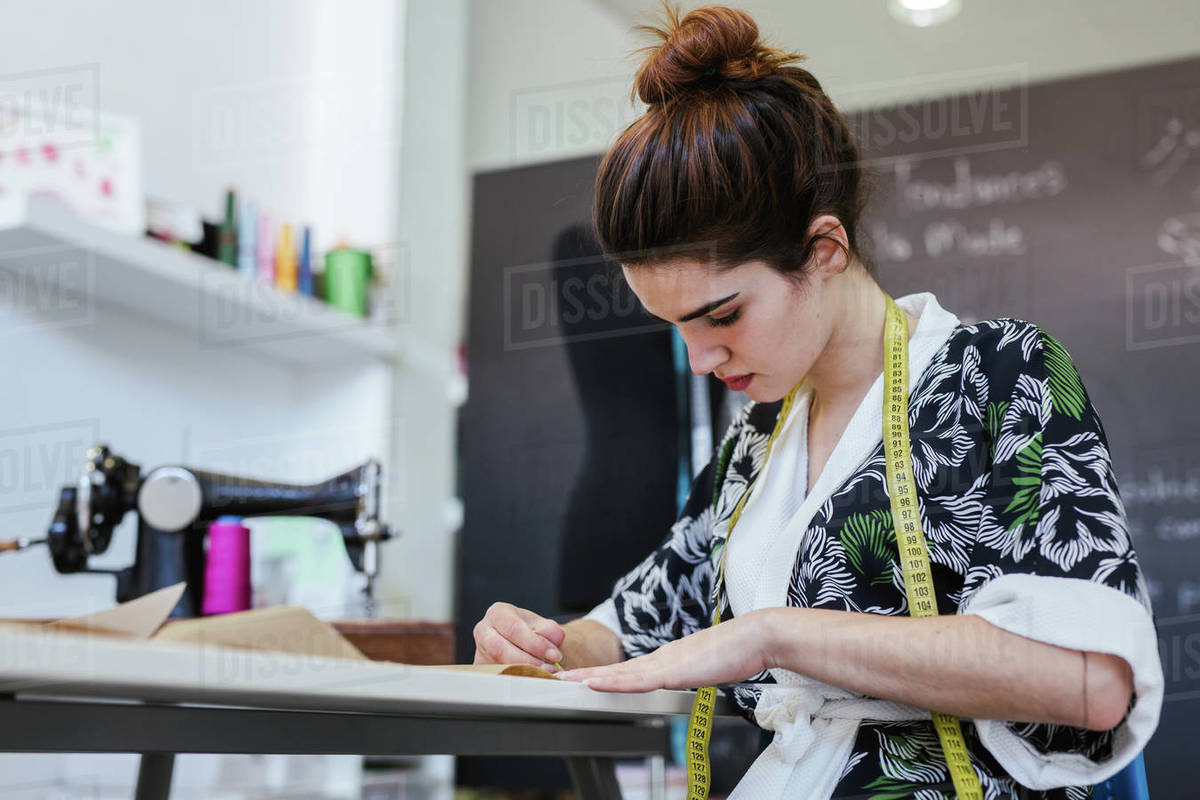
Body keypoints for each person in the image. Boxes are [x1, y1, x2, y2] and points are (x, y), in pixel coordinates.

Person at [473, 4, 1163, 798]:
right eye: (677, 331)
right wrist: (543, 643)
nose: (700, 361)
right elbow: (634, 626)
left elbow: (1091, 682)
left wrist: (776, 636)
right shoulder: (758, 443)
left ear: (824, 249)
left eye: (723, 316)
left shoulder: (999, 374)